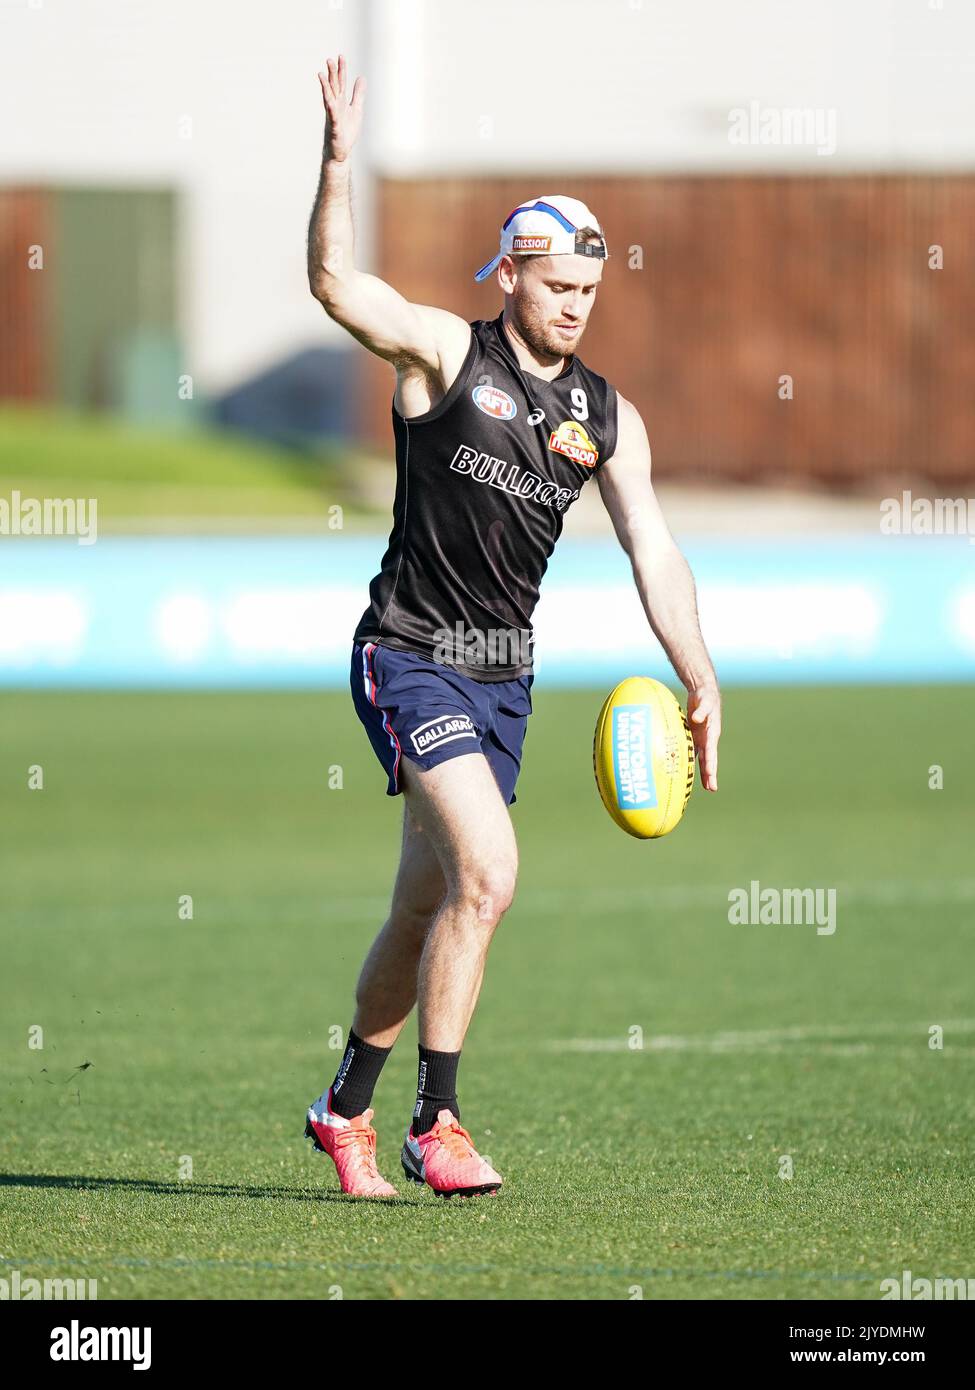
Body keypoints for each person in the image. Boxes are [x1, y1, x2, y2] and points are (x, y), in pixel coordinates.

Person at [303, 56, 721, 1199]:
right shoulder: (446, 353)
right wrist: (339, 163)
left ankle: (341, 1110)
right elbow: (338, 284)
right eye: (557, 280)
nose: (578, 301)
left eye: (591, 285)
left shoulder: (603, 415)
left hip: (502, 679)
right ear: (511, 275)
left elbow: (655, 548)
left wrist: (702, 674)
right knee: (489, 871)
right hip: (408, 655)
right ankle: (435, 1123)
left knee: (423, 906)